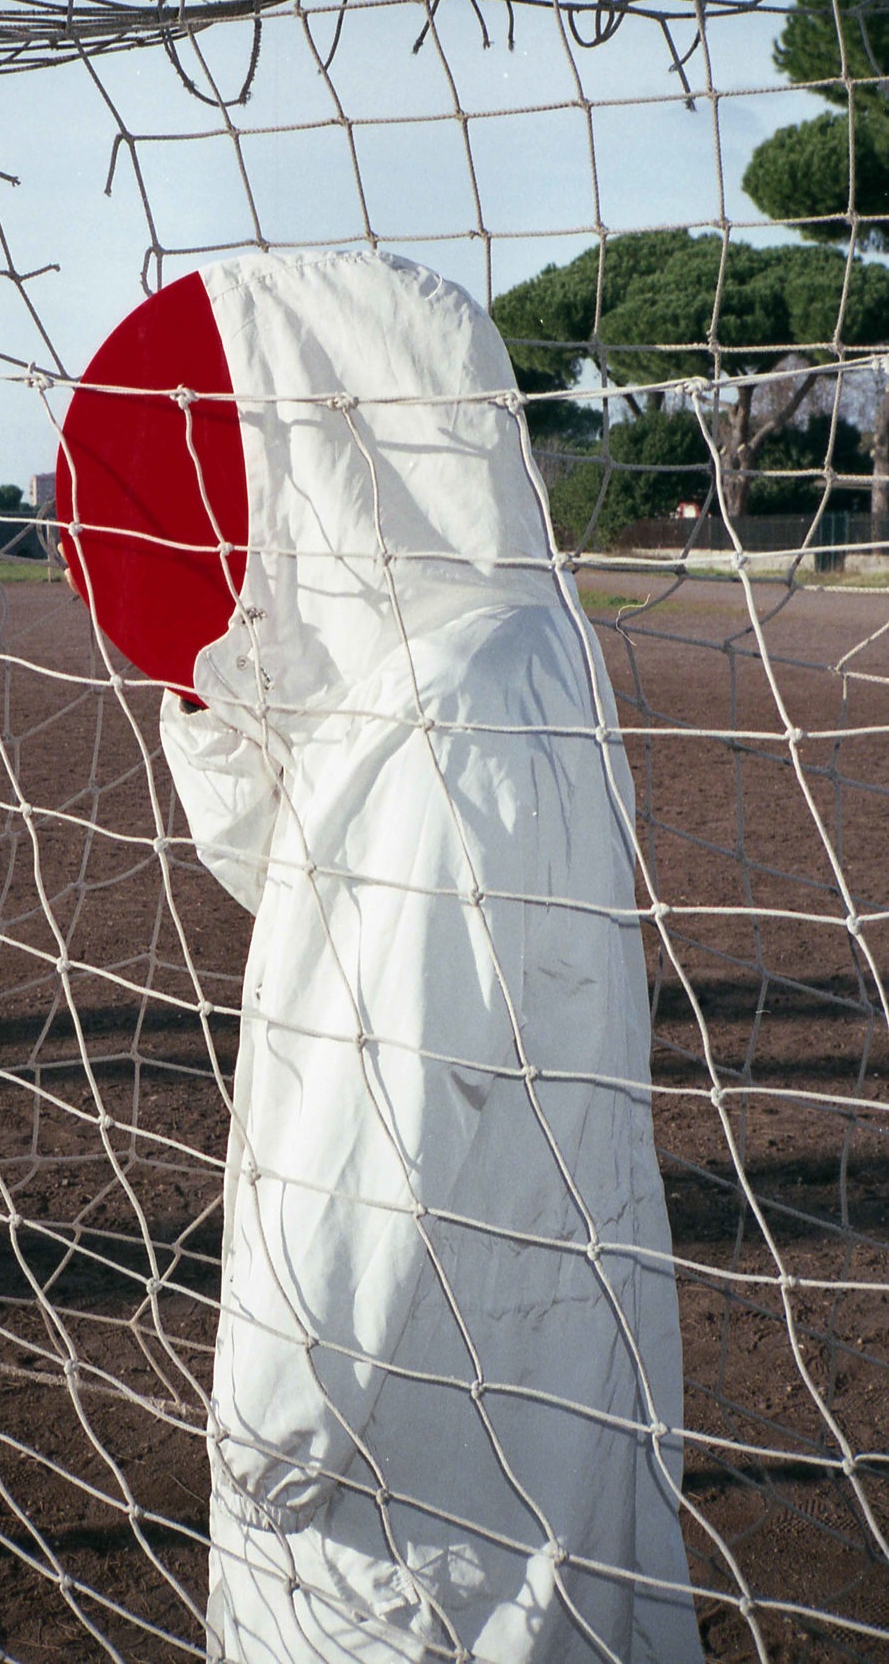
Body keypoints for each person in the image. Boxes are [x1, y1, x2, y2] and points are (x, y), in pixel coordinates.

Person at [112, 248, 700, 1663]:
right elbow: (260, 836)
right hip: (522, 1318)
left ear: (305, 460)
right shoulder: (505, 639)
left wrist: (275, 1405)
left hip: (406, 1416)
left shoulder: (436, 722)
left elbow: (378, 1116)